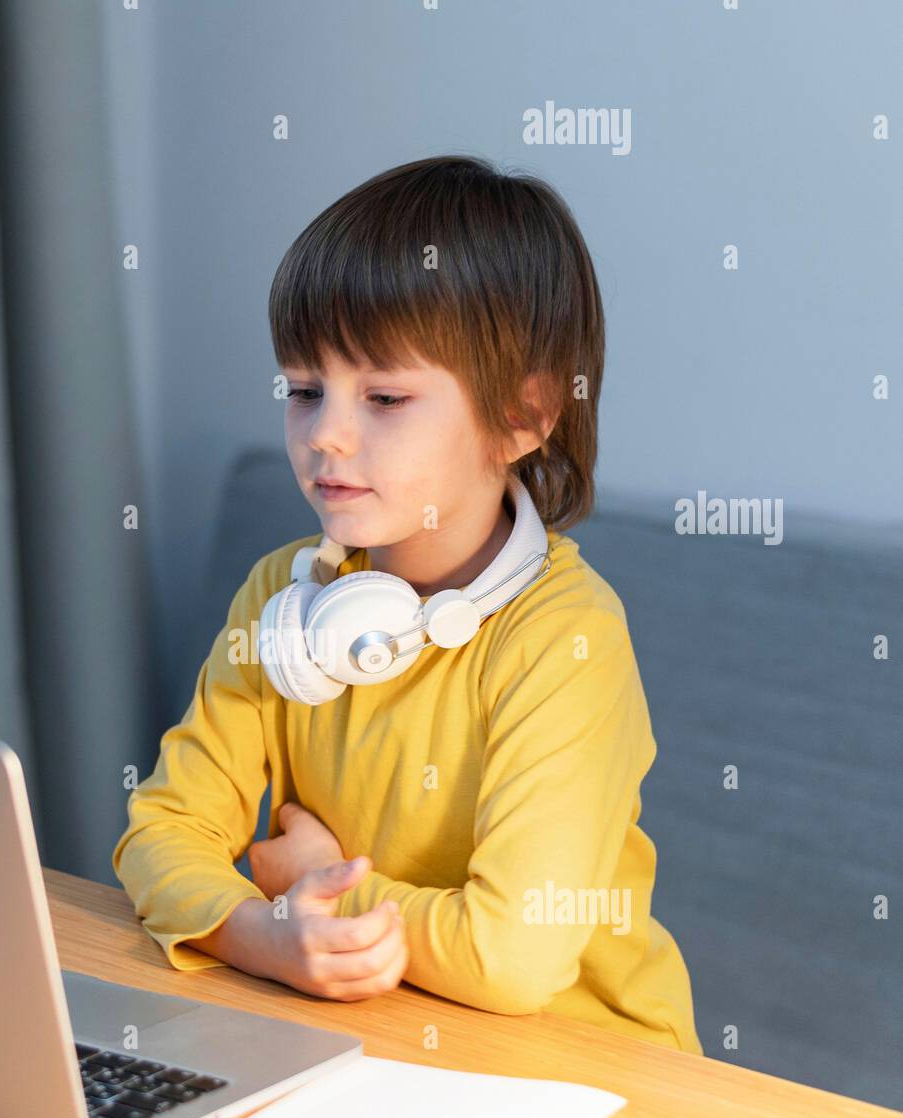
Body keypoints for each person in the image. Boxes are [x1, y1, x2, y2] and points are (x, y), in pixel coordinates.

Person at [112, 154, 701, 1055]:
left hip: (585, 1069)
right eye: (303, 390)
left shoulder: (564, 638)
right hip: (379, 1041)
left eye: (384, 397)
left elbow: (512, 956)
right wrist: (265, 938)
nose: (325, 435)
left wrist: (324, 886)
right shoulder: (284, 593)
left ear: (523, 415)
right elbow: (164, 827)